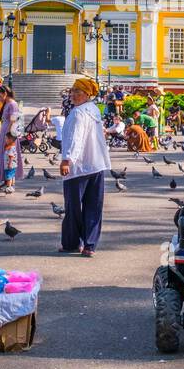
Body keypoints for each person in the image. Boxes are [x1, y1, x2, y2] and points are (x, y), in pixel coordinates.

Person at [59, 77, 112, 257]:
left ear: (87, 94)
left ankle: (72, 243)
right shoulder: (93, 110)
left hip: (79, 166)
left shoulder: (78, 113)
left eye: (77, 92)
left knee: (73, 206)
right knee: (93, 205)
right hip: (96, 164)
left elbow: (76, 138)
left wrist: (67, 160)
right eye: (72, 91)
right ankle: (90, 244)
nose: (73, 95)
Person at [0, 85, 22, 192]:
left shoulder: (13, 104)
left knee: (9, 157)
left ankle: (10, 182)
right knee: (3, 157)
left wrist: (8, 135)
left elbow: (13, 120)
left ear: (4, 93)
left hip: (9, 134)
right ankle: (6, 180)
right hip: (5, 132)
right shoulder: (6, 104)